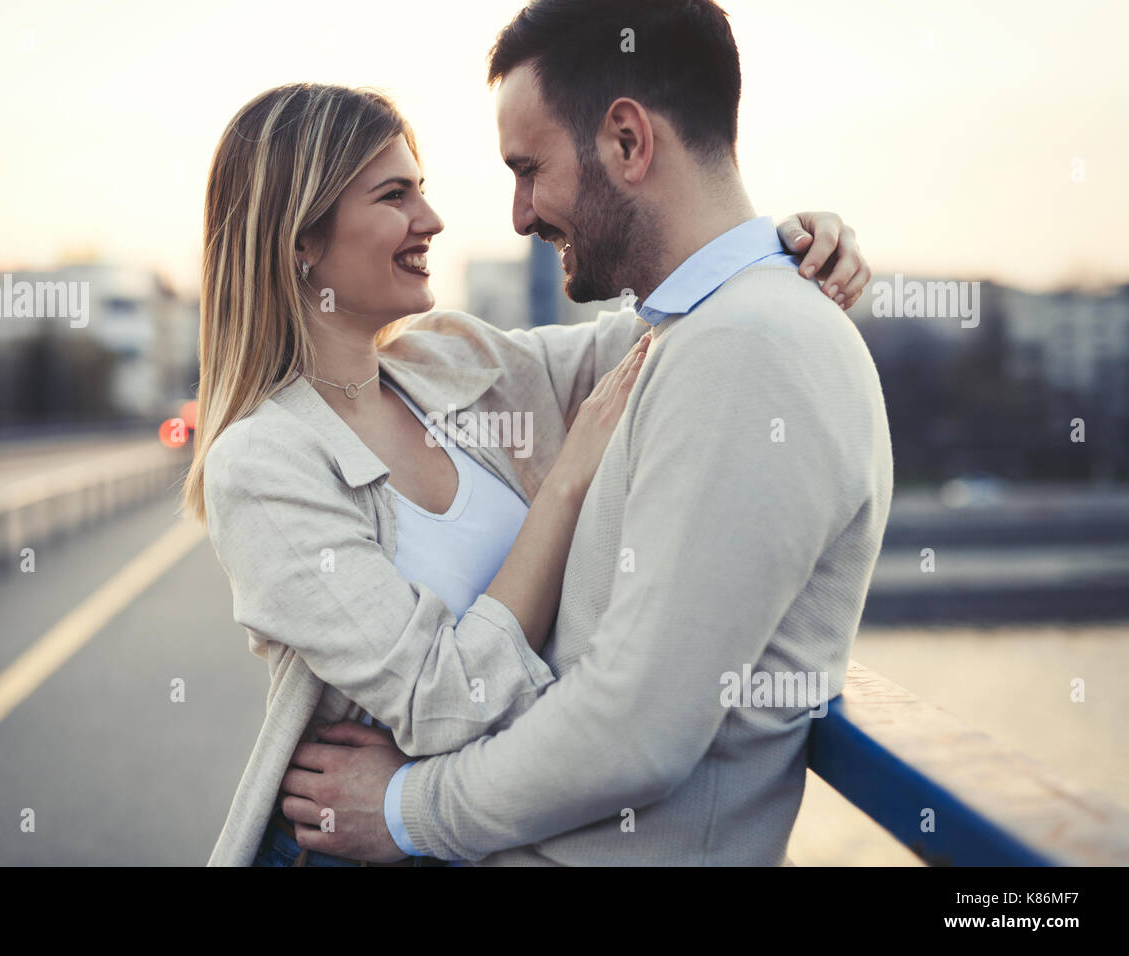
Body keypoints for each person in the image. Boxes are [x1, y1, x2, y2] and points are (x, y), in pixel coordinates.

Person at [187, 77, 870, 866]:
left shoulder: (454, 361)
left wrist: (781, 249)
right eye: (393, 196)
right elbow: (439, 700)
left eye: (423, 190)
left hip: (483, 835)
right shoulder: (262, 465)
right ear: (301, 240)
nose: (431, 221)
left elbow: (677, 327)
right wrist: (566, 485)